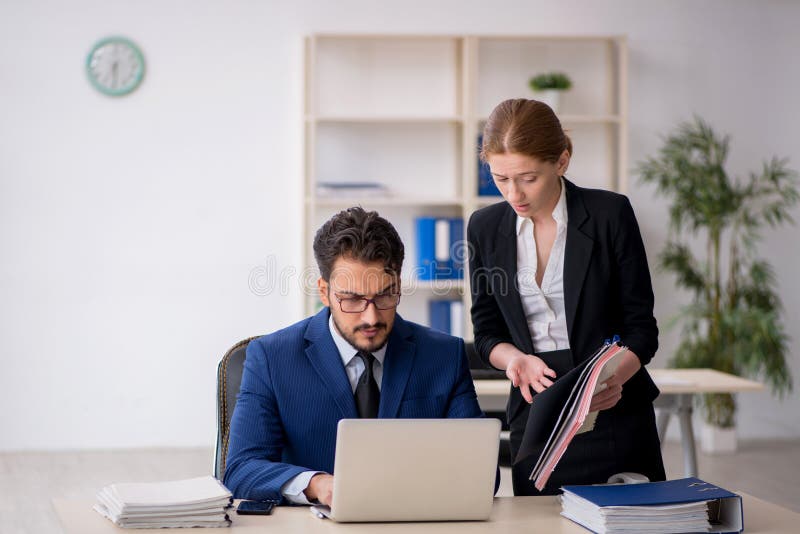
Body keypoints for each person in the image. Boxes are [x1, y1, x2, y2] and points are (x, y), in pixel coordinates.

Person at [223, 206, 491, 505]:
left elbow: (483, 472)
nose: (371, 317)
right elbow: (240, 470)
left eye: (385, 295)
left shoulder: (444, 355)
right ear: (323, 292)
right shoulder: (272, 358)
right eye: (351, 299)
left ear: (399, 285)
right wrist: (316, 484)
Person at [467, 98, 666, 496]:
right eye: (500, 178)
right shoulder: (484, 228)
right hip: (536, 406)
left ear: (561, 161)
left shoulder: (610, 214)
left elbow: (641, 330)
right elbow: (487, 332)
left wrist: (612, 379)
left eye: (527, 177)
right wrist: (515, 360)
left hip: (613, 406)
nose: (513, 194)